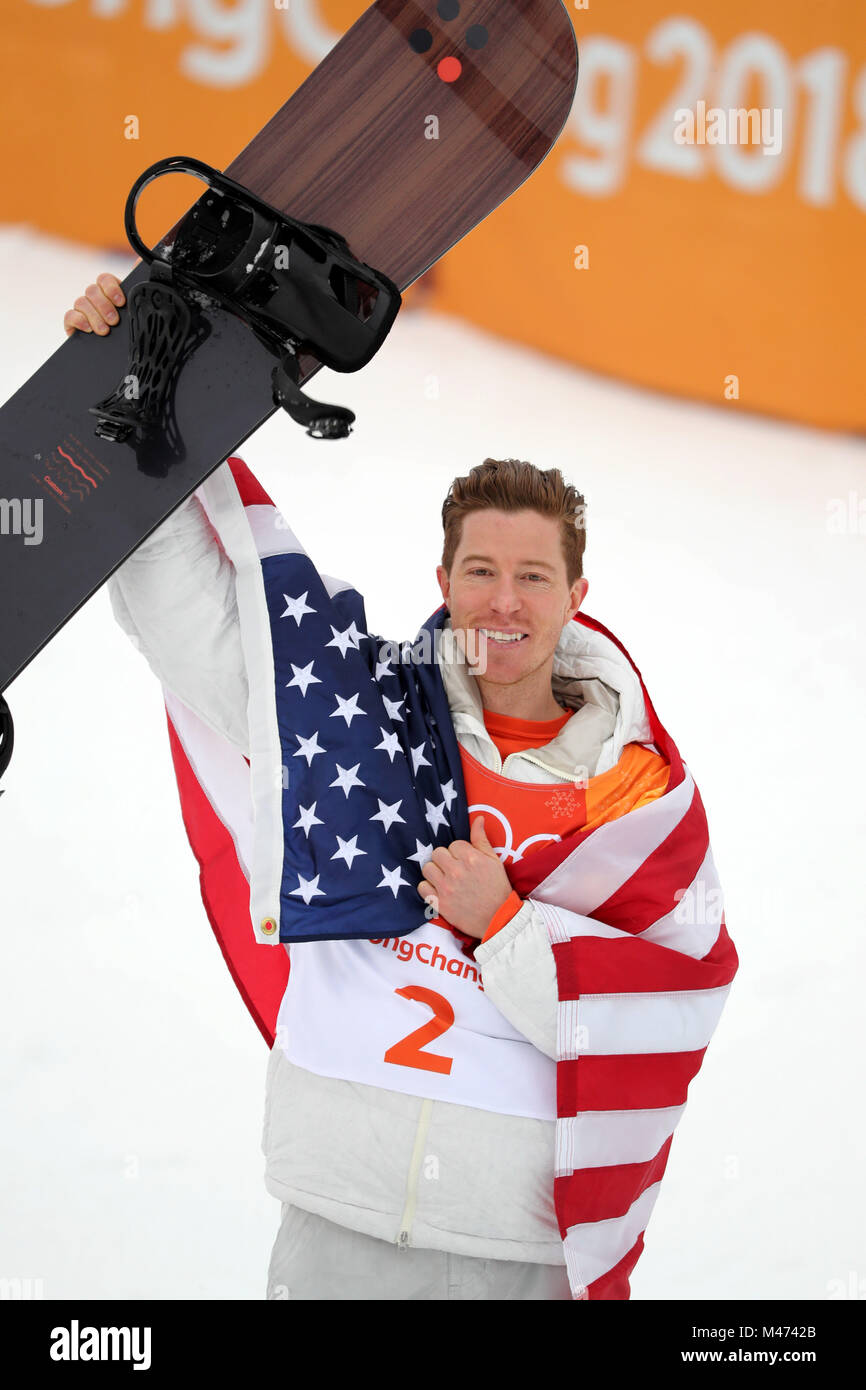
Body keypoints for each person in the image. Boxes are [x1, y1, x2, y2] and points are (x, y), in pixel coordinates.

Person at [62, 274, 733, 1301]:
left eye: (532, 576)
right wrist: (121, 399)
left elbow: (661, 1016)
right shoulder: (362, 710)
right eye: (477, 571)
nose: (501, 601)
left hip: (511, 1249)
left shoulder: (635, 802)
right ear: (443, 581)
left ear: (575, 595)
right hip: (337, 1212)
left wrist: (506, 925)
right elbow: (195, 622)